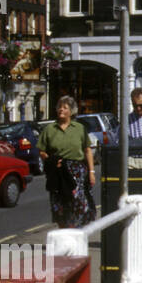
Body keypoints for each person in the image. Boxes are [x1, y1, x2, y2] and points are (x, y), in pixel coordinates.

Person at [37, 95, 98, 228]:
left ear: (72, 111)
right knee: (59, 203)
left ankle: (78, 230)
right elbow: (41, 151)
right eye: (59, 107)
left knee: (78, 201)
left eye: (65, 107)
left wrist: (92, 172)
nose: (61, 110)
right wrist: (51, 161)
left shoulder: (79, 128)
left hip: (76, 170)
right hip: (57, 170)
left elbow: (87, 150)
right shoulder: (49, 129)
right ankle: (63, 229)